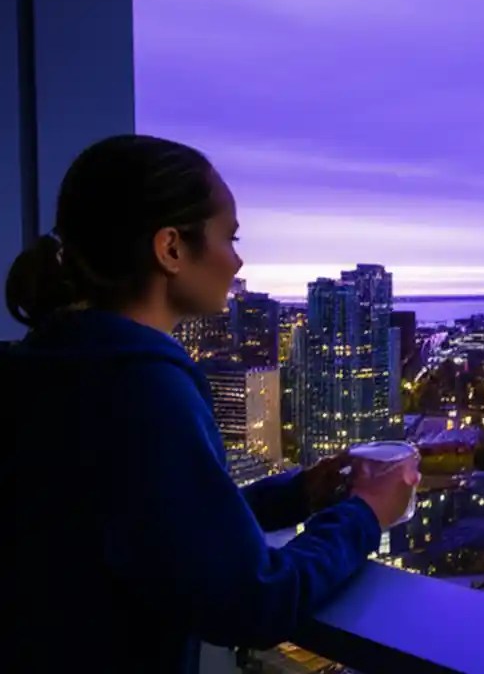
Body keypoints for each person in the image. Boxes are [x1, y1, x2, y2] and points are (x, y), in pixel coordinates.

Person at [1, 134, 416, 673]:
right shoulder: (140, 387)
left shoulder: (49, 367)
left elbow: (145, 530)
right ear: (171, 248)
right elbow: (252, 601)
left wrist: (296, 494)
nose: (238, 261)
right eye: (230, 237)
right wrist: (364, 514)